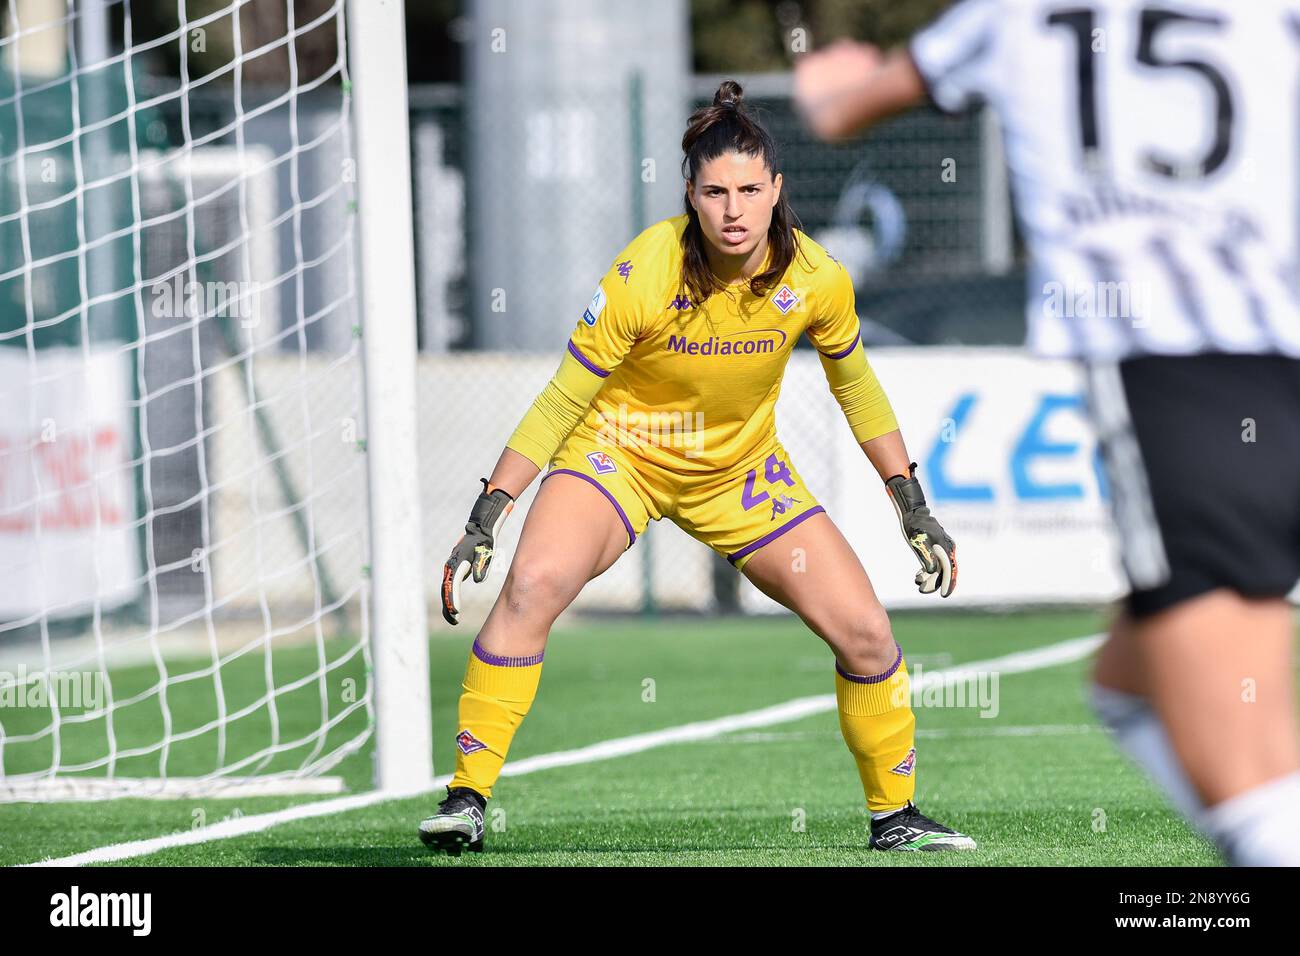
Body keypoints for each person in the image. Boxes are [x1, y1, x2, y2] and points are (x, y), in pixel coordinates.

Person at [793, 0, 1300, 865]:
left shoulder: (1012, 14)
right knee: (1126, 691)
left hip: (1183, 384)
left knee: (1253, 782)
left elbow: (840, 108)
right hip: (1273, 373)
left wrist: (828, 68)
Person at [418, 80, 974, 856]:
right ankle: (467, 799)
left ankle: (896, 818)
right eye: (715, 192)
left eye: (750, 189)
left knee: (868, 635)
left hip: (741, 475)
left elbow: (857, 388)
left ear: (777, 190)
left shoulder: (816, 277)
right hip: (621, 455)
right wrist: (489, 513)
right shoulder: (644, 270)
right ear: (691, 194)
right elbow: (558, 403)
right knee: (532, 584)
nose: (734, 210)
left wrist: (909, 505)